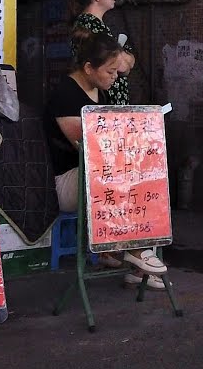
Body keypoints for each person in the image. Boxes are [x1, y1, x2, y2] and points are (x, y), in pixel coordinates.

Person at [44, 32, 166, 289]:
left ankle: (136, 264)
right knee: (124, 180)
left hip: (99, 176)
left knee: (149, 181)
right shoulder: (65, 95)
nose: (115, 78)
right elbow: (89, 150)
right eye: (110, 72)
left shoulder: (102, 93)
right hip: (69, 180)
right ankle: (136, 251)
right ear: (89, 68)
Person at [69, 0, 136, 105]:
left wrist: (125, 60)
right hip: (106, 105)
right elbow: (122, 66)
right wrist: (124, 59)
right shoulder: (89, 24)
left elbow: (128, 63)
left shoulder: (98, 24)